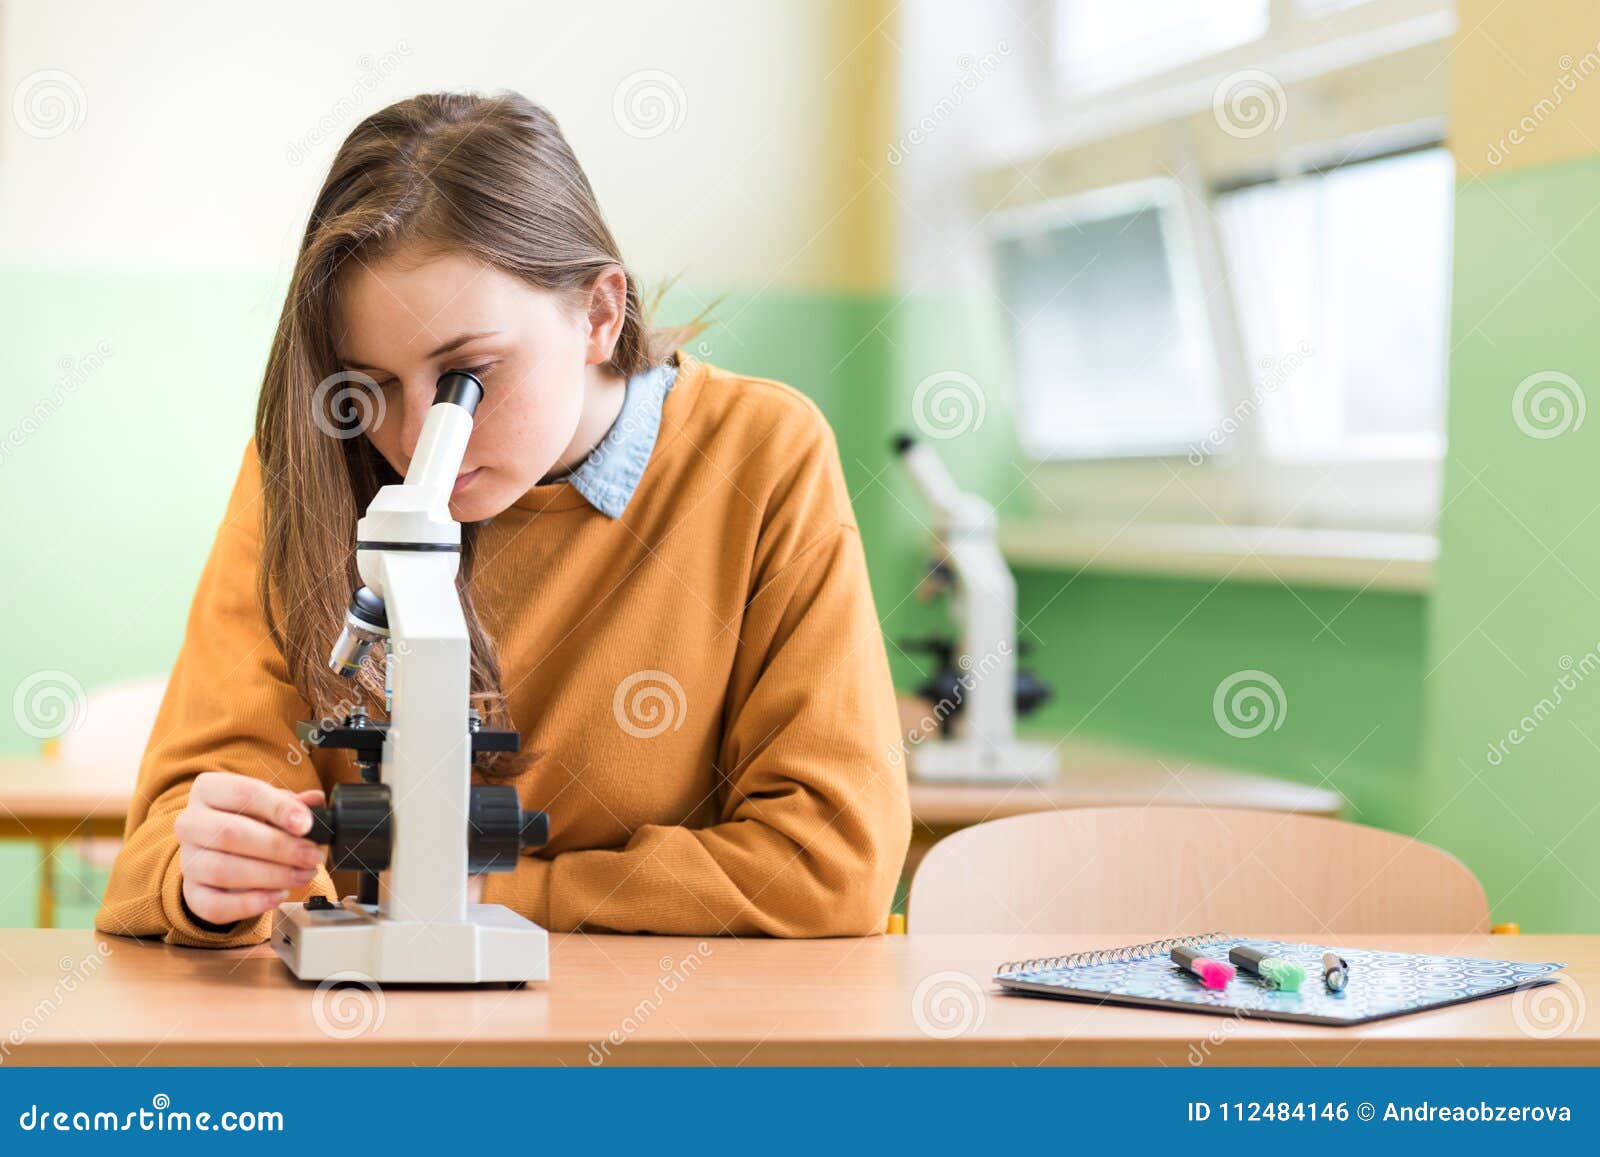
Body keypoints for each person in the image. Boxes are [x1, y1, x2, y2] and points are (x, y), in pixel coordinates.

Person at [94, 91, 910, 947]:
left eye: (467, 378)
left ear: (598, 313)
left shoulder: (760, 455)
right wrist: (209, 878)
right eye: (367, 384)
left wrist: (478, 894)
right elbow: (165, 841)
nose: (415, 440)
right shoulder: (308, 466)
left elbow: (831, 863)